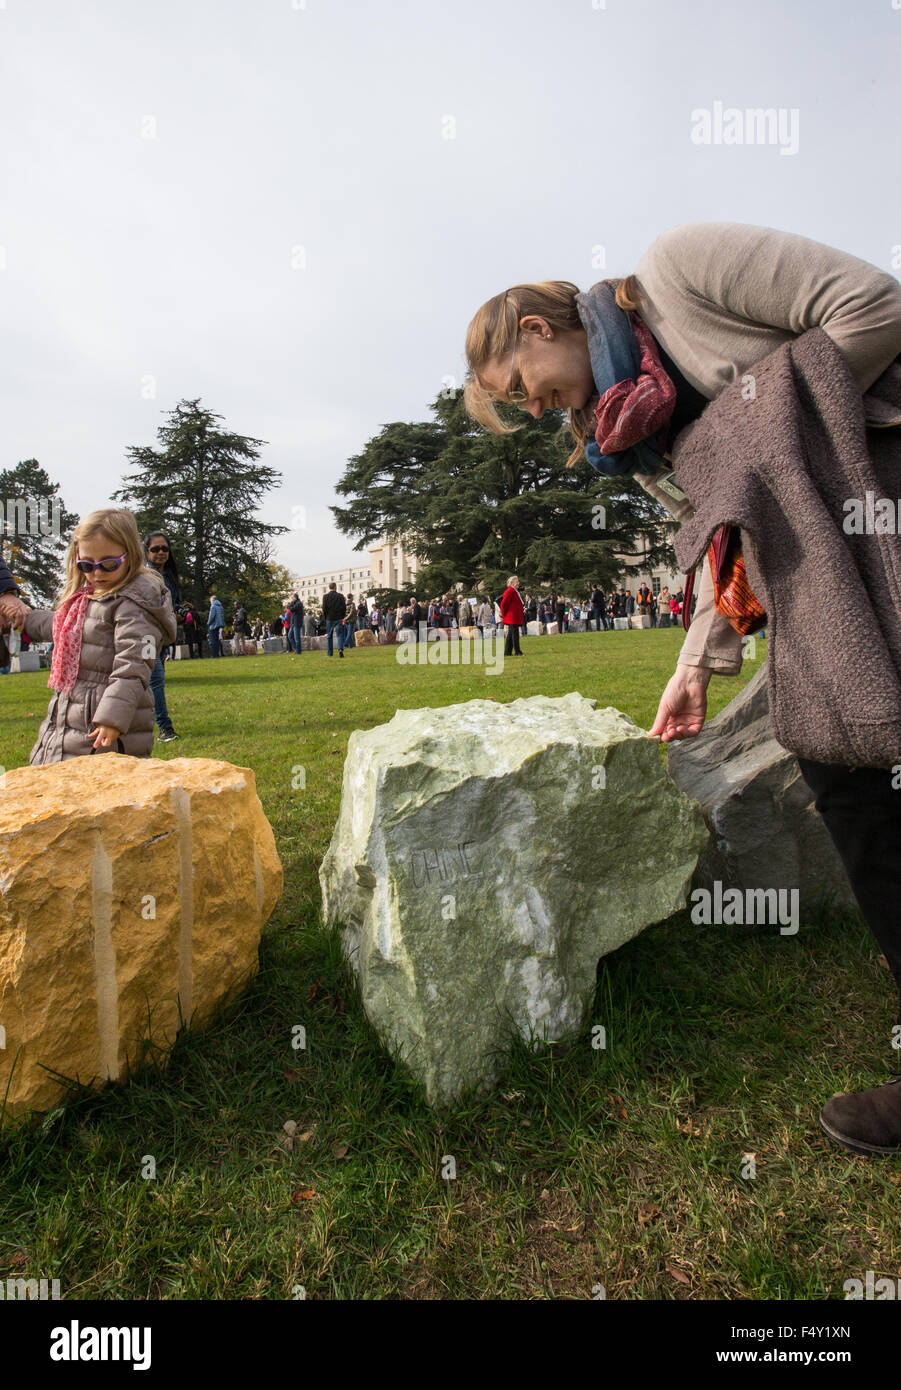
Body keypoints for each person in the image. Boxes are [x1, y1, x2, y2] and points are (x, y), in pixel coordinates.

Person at [462, 221, 901, 1156]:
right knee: (847, 772)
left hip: (885, 507)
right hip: (827, 577)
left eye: (516, 388)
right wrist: (691, 667)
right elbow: (727, 538)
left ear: (539, 325)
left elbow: (875, 306)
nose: (535, 412)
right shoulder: (630, 436)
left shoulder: (678, 270)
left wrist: (760, 431)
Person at [6, 507, 175, 763]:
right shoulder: (87, 599)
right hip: (67, 718)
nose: (96, 574)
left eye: (108, 564)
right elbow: (59, 626)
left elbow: (135, 664)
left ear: (130, 555)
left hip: (105, 732)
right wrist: (22, 619)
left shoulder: (136, 606)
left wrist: (111, 718)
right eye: (86, 565)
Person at [144, 530, 181, 742]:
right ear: (146, 551)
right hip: (146, 635)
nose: (160, 552)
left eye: (165, 549)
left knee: (150, 681)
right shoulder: (145, 575)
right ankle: (165, 729)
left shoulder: (168, 575)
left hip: (160, 636)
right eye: (155, 549)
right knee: (155, 679)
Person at [499, 575, 524, 657]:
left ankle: (507, 652)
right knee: (515, 635)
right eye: (517, 582)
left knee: (510, 635)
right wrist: (503, 613)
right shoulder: (510, 591)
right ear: (513, 583)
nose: (518, 583)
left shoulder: (514, 591)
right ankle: (517, 651)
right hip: (512, 617)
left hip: (513, 616)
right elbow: (503, 603)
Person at [322, 581, 346, 657]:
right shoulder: (340, 596)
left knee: (329, 636)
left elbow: (324, 609)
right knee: (340, 635)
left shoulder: (325, 597)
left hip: (329, 618)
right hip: (339, 617)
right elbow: (343, 608)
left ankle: (329, 653)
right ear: (335, 587)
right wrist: (342, 616)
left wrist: (326, 617)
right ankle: (340, 649)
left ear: (329, 588)